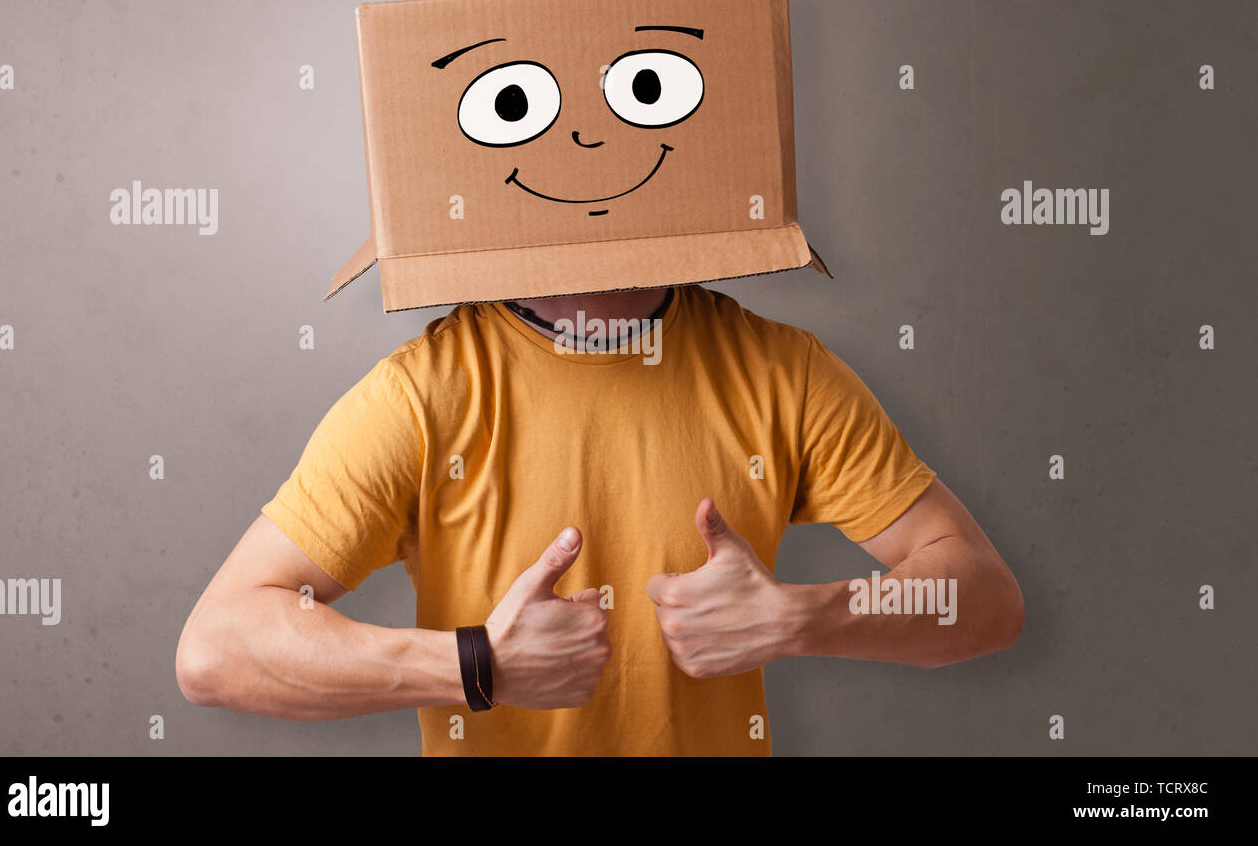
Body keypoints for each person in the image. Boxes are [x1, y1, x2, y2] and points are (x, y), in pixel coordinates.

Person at [175, 282, 1025, 756]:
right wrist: (476, 665)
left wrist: (802, 618)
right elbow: (216, 650)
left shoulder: (781, 372)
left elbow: (985, 599)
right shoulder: (422, 396)